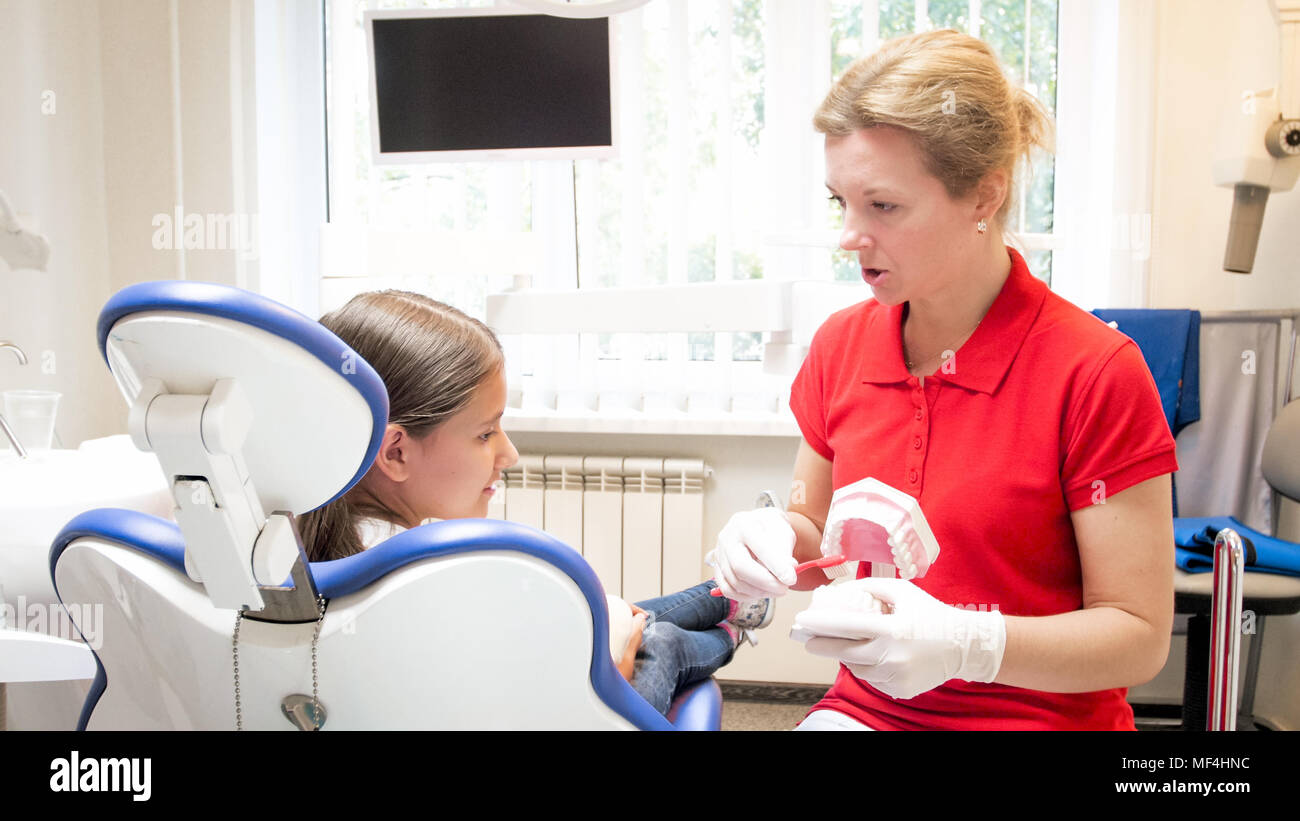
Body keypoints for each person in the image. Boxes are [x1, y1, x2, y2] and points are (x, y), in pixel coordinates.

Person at [712, 29, 1177, 730]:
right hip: (871, 709)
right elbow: (818, 528)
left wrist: (971, 644)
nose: (849, 234)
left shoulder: (1094, 372)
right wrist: (770, 537)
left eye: (884, 206)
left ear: (983, 197)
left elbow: (1137, 633)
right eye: (840, 201)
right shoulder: (842, 345)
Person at [296, 290, 771, 716]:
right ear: (396, 451)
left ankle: (731, 601)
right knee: (659, 642)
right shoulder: (426, 578)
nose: (510, 453)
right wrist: (614, 669)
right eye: (485, 433)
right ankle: (731, 624)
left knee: (614, 614)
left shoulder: (301, 538)